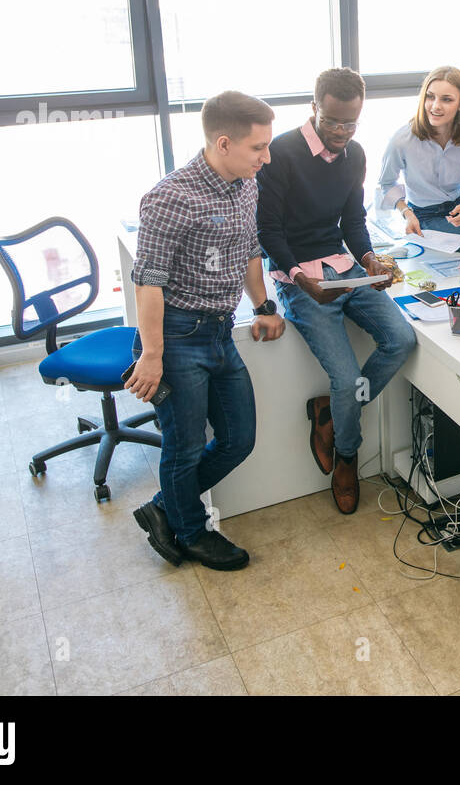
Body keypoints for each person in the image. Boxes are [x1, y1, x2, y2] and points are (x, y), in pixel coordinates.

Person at [127, 90, 286, 572]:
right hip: (177, 337)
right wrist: (152, 355)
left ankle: (162, 507)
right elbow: (148, 283)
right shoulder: (170, 198)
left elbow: (250, 248)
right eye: (258, 147)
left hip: (219, 331)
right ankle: (192, 532)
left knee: (239, 439)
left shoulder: (246, 184)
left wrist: (262, 304)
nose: (267, 157)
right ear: (223, 143)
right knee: (185, 445)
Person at [256, 67, 417, 515]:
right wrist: (298, 277)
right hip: (299, 277)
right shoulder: (281, 153)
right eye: (333, 122)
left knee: (401, 339)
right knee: (346, 378)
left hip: (344, 267)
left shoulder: (355, 154)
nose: (342, 132)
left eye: (351, 123)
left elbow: (352, 221)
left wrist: (367, 258)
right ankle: (348, 456)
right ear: (314, 108)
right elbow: (267, 229)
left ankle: (335, 411)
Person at [378, 66, 460, 250]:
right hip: (423, 214)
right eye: (430, 97)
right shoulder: (402, 139)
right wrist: (407, 213)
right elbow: (387, 183)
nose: (435, 106)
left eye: (446, 99)